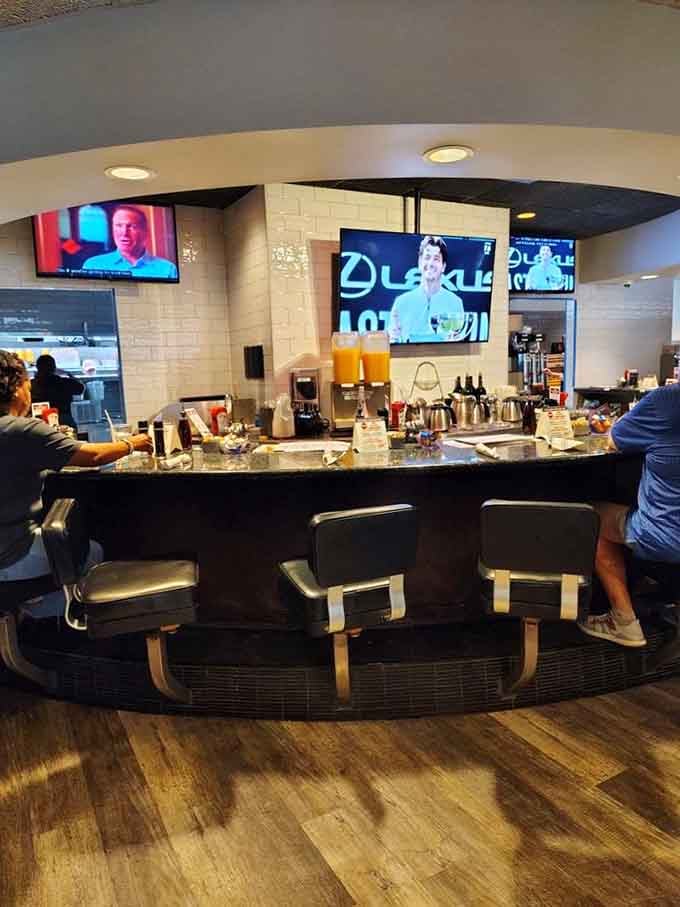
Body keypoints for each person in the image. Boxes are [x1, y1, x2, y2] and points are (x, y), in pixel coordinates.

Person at [0, 350, 153, 617]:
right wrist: (133, 443)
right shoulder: (21, 430)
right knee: (93, 551)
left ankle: (26, 612)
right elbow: (93, 456)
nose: (31, 390)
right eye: (27, 383)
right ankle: (63, 619)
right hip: (11, 554)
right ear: (16, 389)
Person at [578, 384, 680, 648]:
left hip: (667, 537)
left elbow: (614, 439)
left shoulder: (667, 401)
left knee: (590, 517)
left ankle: (624, 621)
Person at [388, 236, 464, 343]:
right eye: (427, 257)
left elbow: (458, 343)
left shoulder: (455, 302)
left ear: (443, 267)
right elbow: (392, 341)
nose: (431, 264)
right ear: (420, 263)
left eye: (436, 259)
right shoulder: (401, 302)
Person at [82, 205, 178, 279]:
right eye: (119, 225)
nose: (124, 233)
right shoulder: (92, 265)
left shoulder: (168, 269)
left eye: (132, 226)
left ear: (145, 232)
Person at [30, 354, 84, 429]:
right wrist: (68, 373)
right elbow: (81, 388)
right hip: (63, 421)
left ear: (38, 368)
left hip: (38, 423)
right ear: (54, 368)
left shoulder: (30, 385)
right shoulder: (64, 383)